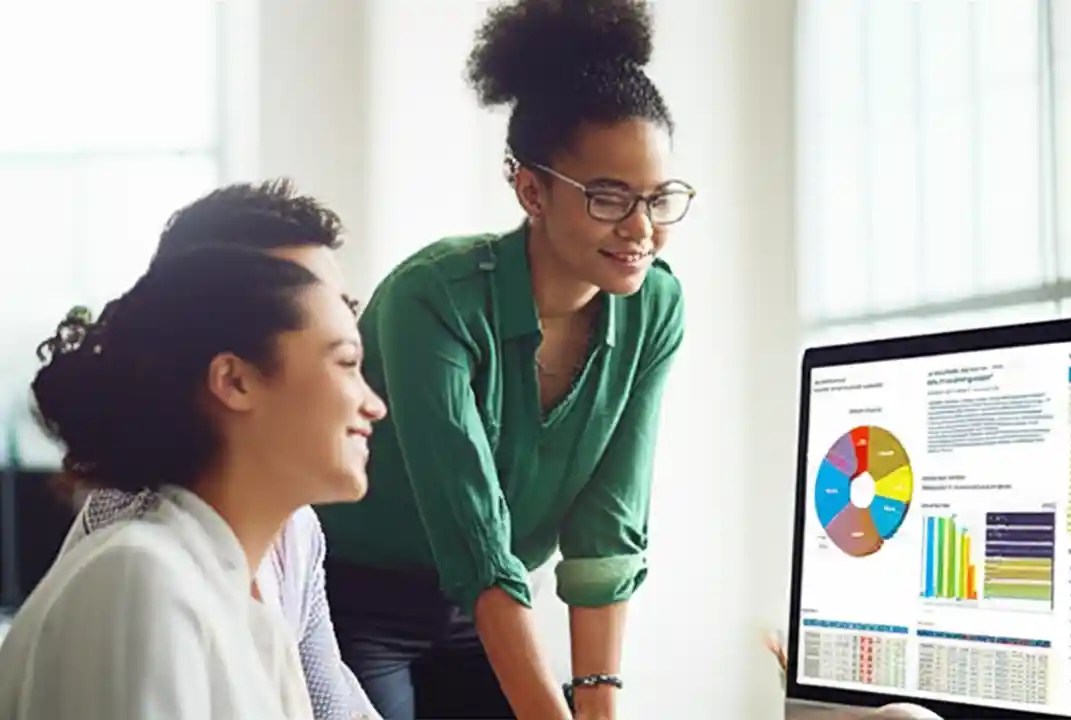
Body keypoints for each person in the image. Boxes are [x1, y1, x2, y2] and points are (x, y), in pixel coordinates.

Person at [314, 1, 695, 717]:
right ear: (531, 190)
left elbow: (607, 528)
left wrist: (596, 703)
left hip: (485, 616)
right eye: (610, 198)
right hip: (357, 600)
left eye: (658, 197)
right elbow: (474, 534)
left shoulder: (655, 308)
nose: (641, 229)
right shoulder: (435, 298)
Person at [0, 245, 387, 718]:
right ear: (235, 380)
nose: (373, 405)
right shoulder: (141, 579)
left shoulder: (250, 612)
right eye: (346, 364)